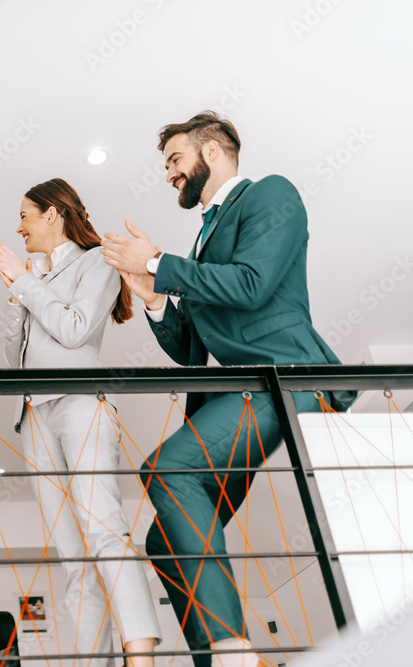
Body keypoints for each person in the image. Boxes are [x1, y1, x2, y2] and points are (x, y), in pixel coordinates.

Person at [100, 112, 354, 667]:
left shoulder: (270, 194)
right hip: (230, 396)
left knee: (167, 470)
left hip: (279, 379)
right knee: (164, 543)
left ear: (210, 153)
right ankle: (225, 660)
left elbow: (253, 284)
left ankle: (232, 649)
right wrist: (152, 293)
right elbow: (190, 345)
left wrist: (156, 261)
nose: (168, 173)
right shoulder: (202, 238)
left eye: (174, 159)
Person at [0, 178, 160, 667]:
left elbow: (74, 329)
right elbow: (13, 358)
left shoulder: (96, 260)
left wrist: (23, 282)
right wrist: (18, 294)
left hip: (81, 402)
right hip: (34, 412)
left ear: (53, 215)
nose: (18, 227)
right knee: (72, 555)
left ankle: (140, 655)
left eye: (24, 215)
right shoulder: (33, 275)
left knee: (104, 532)